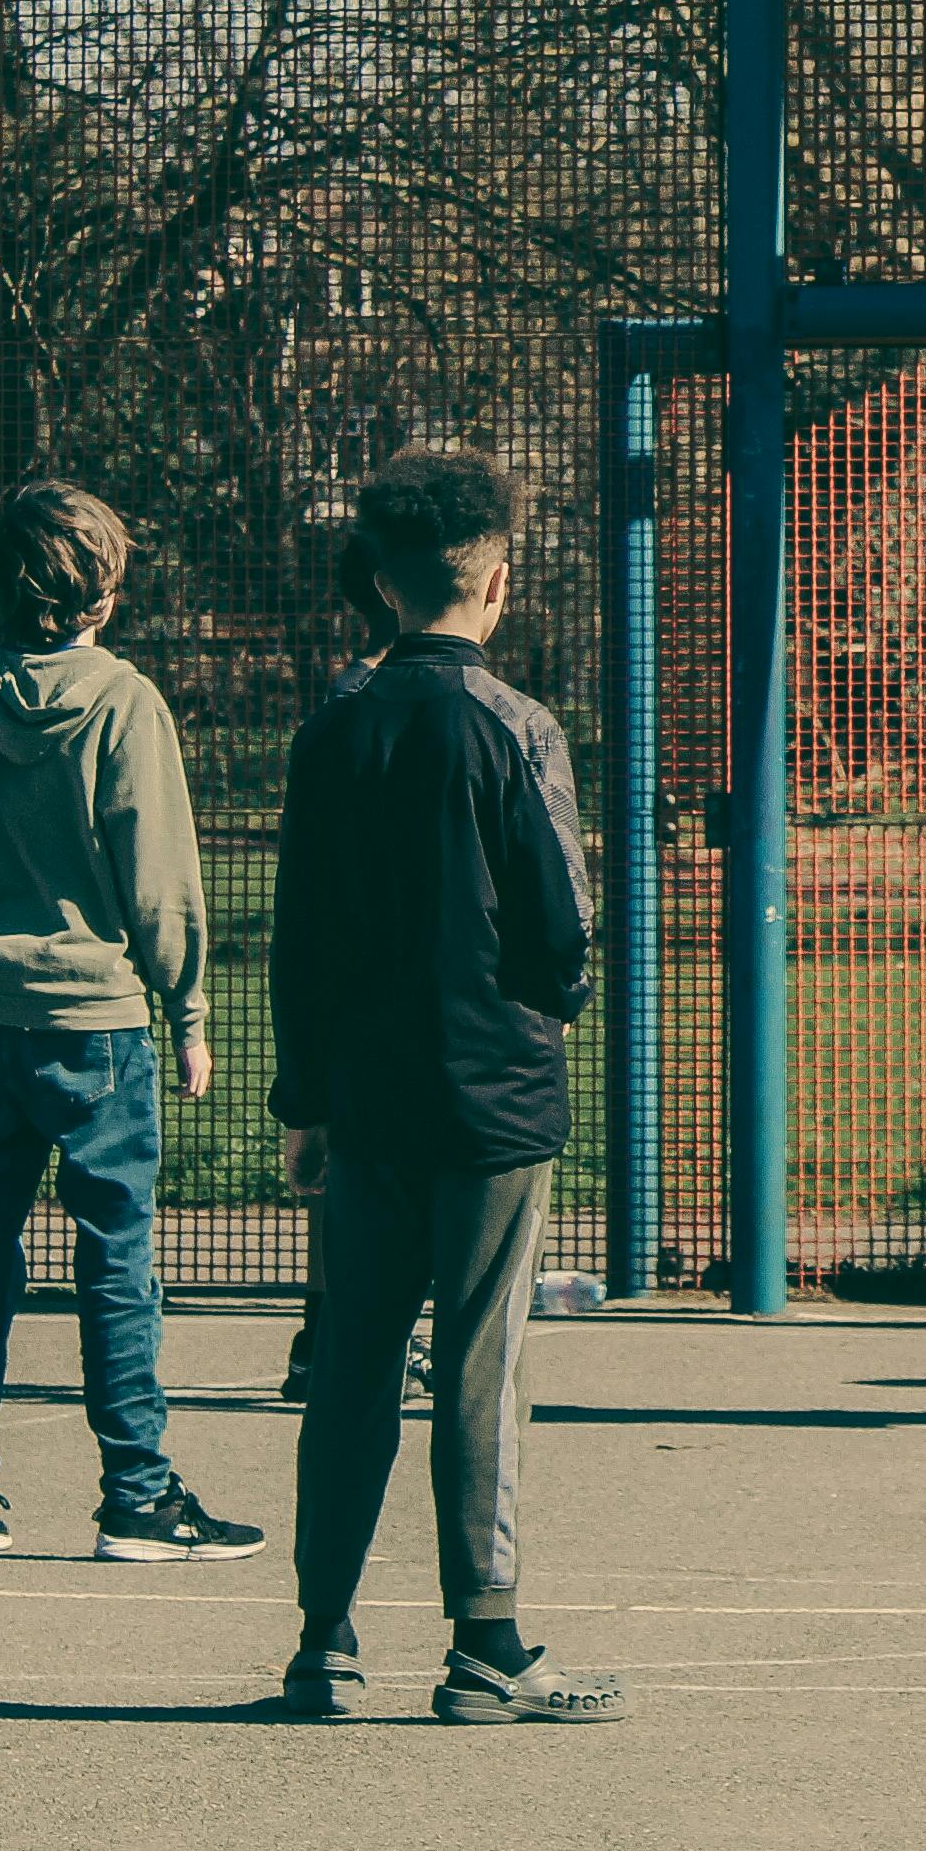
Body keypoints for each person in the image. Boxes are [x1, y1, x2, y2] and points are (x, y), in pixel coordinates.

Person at [268, 447, 628, 1725]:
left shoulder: (331, 731)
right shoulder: (515, 727)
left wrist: (304, 1100)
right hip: (492, 1095)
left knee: (353, 1358)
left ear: (378, 582)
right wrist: (555, 1007)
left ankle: (323, 1639)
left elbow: (297, 936)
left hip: (362, 1094)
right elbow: (562, 930)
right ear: (496, 582)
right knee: (482, 1360)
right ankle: (487, 1643)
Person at [0, 479, 261, 1562]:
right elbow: (157, 877)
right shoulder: (124, 702)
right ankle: (137, 1497)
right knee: (116, 1257)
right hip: (97, 1020)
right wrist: (189, 1008)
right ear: (104, 592)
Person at [278, 526, 407, 1413]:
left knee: (345, 1160)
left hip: (348, 971)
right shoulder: (392, 694)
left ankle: (323, 1330)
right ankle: (347, 1332)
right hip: (400, 965)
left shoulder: (342, 698)